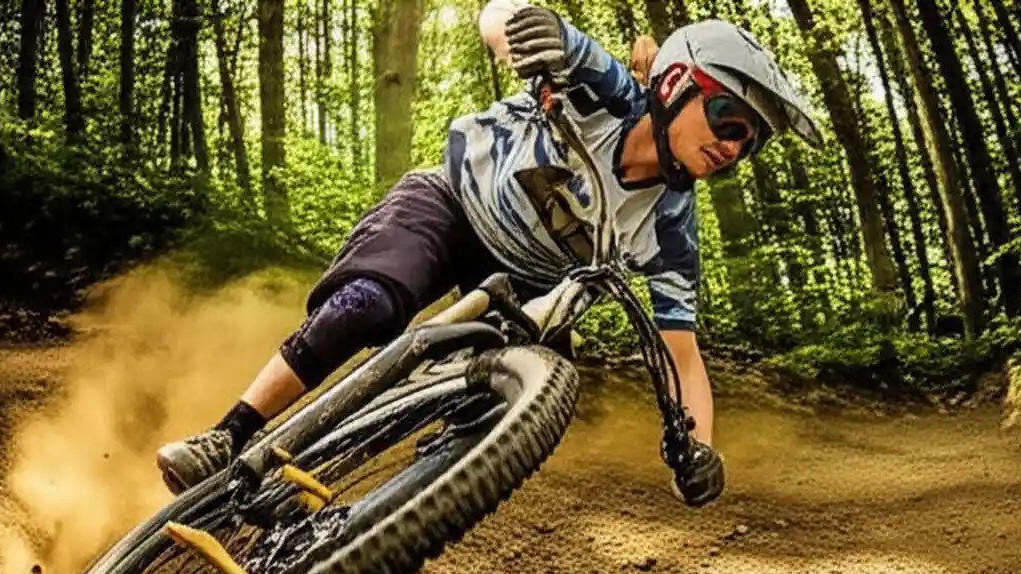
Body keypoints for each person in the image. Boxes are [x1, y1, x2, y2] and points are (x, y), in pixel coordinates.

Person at [155, 0, 823, 507]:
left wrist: (698, 449)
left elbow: (683, 356)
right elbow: (498, 17)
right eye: (729, 121)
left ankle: (361, 524)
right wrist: (527, 30)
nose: (734, 147)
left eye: (751, 142)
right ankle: (227, 435)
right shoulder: (603, 87)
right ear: (675, 85)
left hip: (531, 285)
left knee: (521, 406)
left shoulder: (672, 226)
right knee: (366, 306)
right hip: (452, 203)